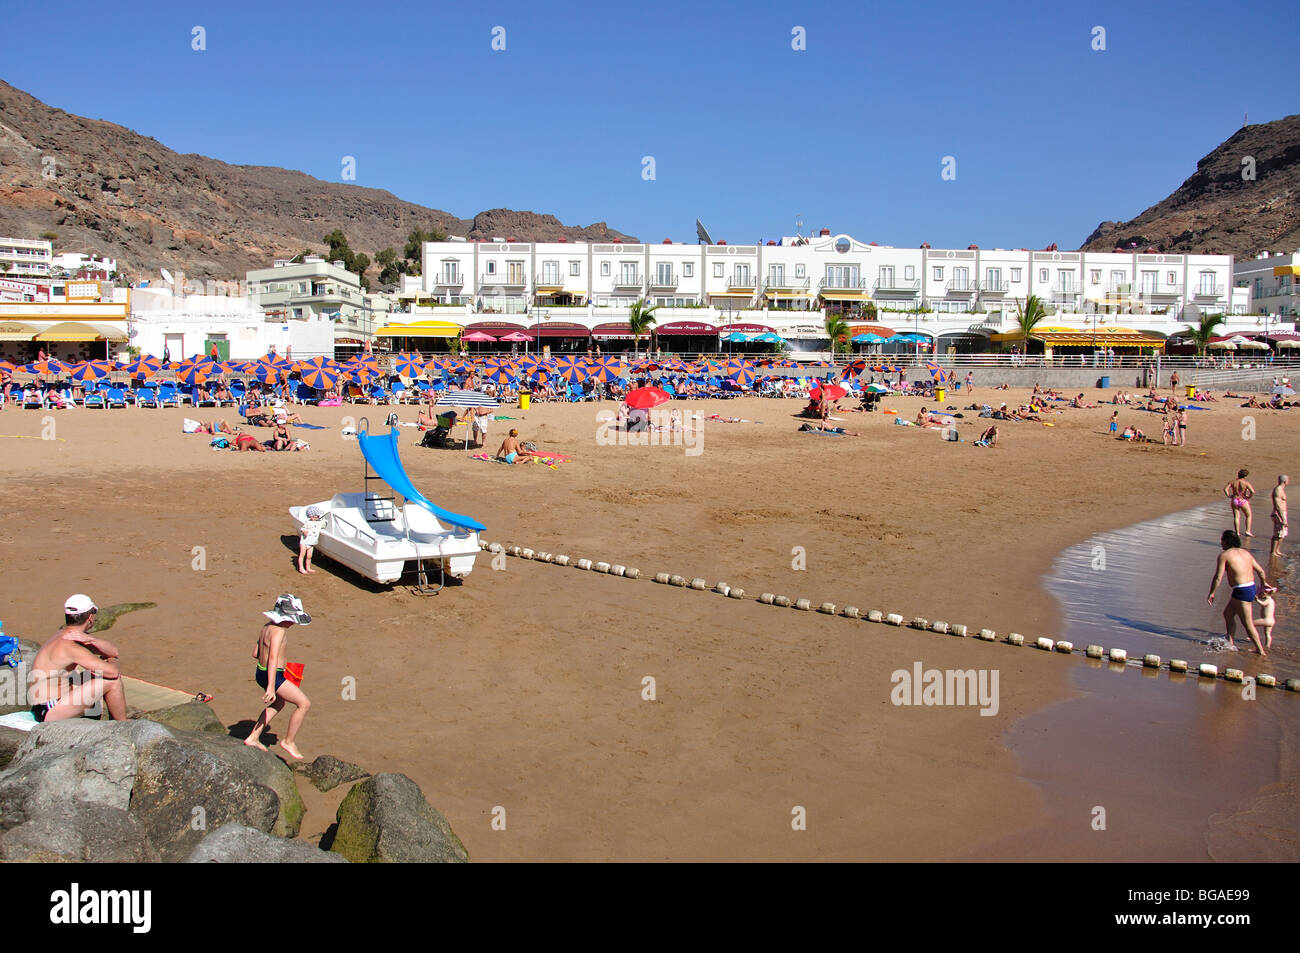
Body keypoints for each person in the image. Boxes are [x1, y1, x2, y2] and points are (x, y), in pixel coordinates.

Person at [27, 594, 127, 722]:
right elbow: (112, 672)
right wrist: (113, 661)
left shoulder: (64, 635)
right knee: (111, 681)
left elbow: (113, 650)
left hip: (43, 705)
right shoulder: (71, 646)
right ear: (90, 618)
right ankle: (122, 726)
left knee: (92, 675)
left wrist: (91, 639)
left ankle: (99, 720)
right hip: (49, 710)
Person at [244, 595, 312, 759]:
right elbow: (273, 657)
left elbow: (255, 653)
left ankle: (253, 736)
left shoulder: (266, 627)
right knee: (304, 704)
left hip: (260, 672)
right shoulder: (279, 632)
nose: (294, 623)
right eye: (293, 619)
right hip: (273, 676)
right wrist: (271, 686)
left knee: (279, 703)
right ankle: (289, 741)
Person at [1207, 530, 1272, 656]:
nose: (1221, 543)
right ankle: (1230, 643)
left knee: (1247, 624)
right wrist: (1264, 583)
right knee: (1227, 614)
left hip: (1242, 591)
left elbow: (1218, 577)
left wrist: (1212, 592)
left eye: (1222, 540)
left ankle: (1260, 651)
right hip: (1249, 588)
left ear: (1227, 541)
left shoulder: (1224, 555)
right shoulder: (1246, 553)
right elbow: (1261, 571)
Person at [1225, 468, 1256, 538]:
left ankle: (1237, 532)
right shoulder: (1246, 483)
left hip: (1235, 499)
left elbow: (1225, 489)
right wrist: (1249, 497)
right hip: (1243, 500)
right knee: (1248, 515)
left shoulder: (1233, 482)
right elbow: (1253, 492)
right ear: (1245, 476)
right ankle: (1248, 531)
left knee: (1236, 516)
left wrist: (1229, 495)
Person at [299, 505, 324, 574]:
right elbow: (302, 528)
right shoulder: (308, 522)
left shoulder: (319, 522)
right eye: (317, 516)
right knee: (302, 554)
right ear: (312, 517)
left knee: (309, 556)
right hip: (305, 542)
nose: (318, 517)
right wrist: (304, 531)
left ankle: (308, 567)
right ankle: (301, 568)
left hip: (311, 542)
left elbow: (323, 524)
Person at [1271, 474, 1289, 559]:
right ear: (1285, 481)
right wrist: (1283, 518)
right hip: (1279, 513)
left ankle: (1277, 550)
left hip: (1282, 513)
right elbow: (1278, 505)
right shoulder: (1278, 490)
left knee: (1282, 534)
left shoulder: (1281, 489)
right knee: (1278, 534)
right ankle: (1273, 551)